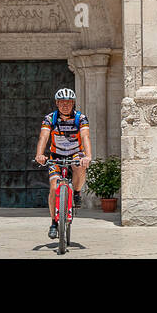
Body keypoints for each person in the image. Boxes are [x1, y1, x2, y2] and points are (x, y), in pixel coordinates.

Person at [35, 88, 92, 241]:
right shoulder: (50, 118)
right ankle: (54, 222)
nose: (65, 105)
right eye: (62, 102)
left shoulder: (81, 118)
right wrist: (40, 154)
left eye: (68, 102)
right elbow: (43, 136)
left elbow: (85, 136)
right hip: (56, 155)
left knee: (80, 166)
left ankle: (77, 192)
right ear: (57, 103)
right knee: (54, 187)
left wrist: (88, 156)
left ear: (73, 103)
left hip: (75, 153)